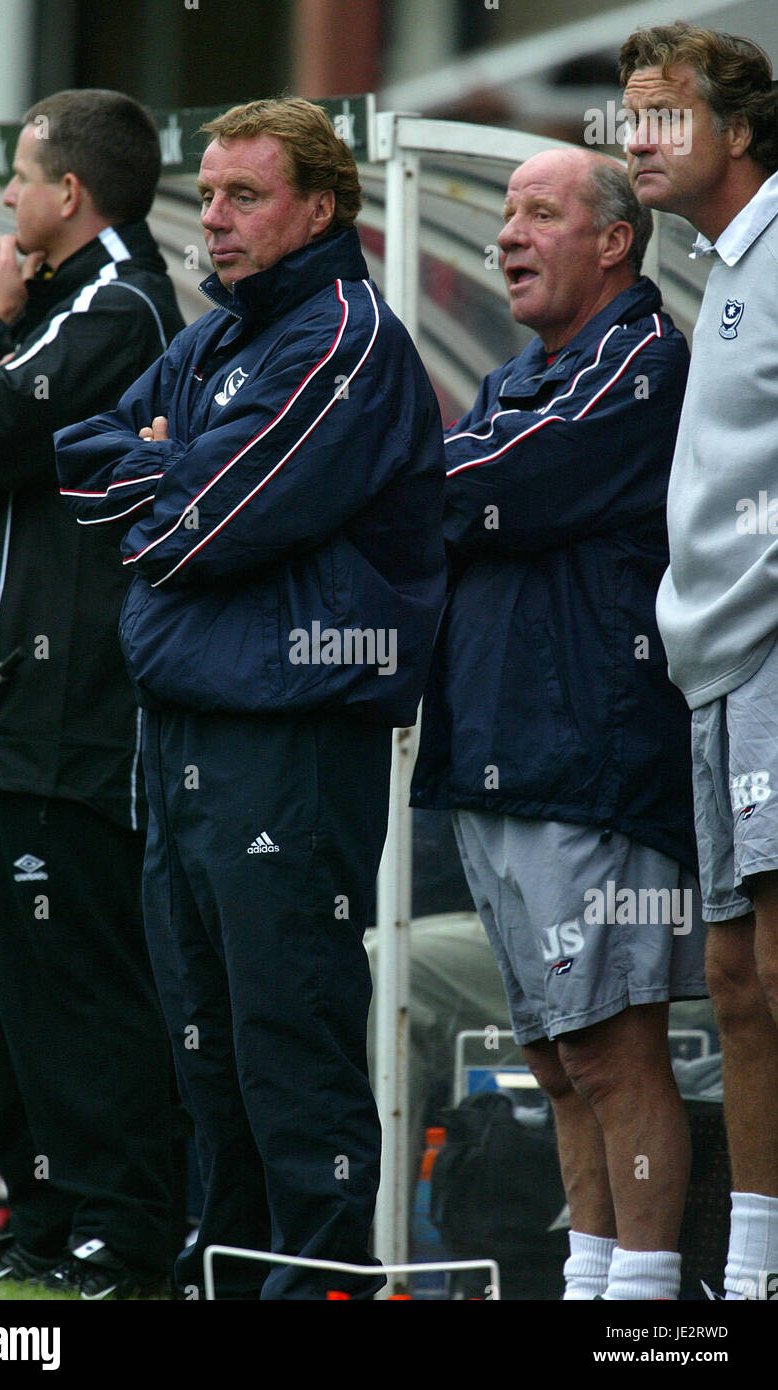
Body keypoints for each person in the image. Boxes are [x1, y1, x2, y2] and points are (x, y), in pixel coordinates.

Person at [55, 96, 447, 1299]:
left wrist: (166, 470)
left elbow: (203, 530)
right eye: (207, 195)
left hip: (291, 733)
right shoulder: (217, 340)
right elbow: (79, 469)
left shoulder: (342, 337)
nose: (211, 220)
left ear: (319, 208)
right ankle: (222, 1276)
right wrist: (172, 463)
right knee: (204, 1039)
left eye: (243, 196)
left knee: (290, 1031)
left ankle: (317, 1284)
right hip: (185, 728)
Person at [411, 147, 707, 1301]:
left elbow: (501, 484)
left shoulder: (639, 360)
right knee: (553, 1055)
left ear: (613, 241)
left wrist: (392, 480)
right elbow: (459, 487)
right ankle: (582, 1282)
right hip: (493, 757)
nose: (508, 235)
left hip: (582, 759)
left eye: (540, 214)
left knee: (612, 1050)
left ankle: (639, 1295)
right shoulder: (517, 371)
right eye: (504, 216)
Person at [0, 89, 185, 1297]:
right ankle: (41, 1223)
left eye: (22, 178)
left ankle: (116, 1235)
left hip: (59, 717)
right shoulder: (59, 301)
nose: (10, 201)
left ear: (69, 192)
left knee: (74, 990)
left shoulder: (118, 304)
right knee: (13, 1005)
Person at [621, 20, 778, 1300]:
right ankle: (748, 1274)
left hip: (771, 653)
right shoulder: (717, 262)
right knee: (730, 981)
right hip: (711, 665)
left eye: (664, 117)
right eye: (628, 119)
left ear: (737, 130)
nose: (636, 142)